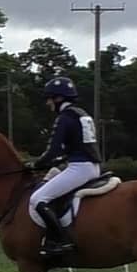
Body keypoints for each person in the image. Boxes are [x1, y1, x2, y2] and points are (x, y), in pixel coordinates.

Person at [27, 76, 103, 258]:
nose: (48, 103)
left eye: (49, 98)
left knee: (38, 198)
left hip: (80, 168)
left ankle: (60, 241)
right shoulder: (82, 114)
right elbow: (75, 147)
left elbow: (52, 150)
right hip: (92, 165)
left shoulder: (65, 117)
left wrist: (35, 164)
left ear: (58, 98)